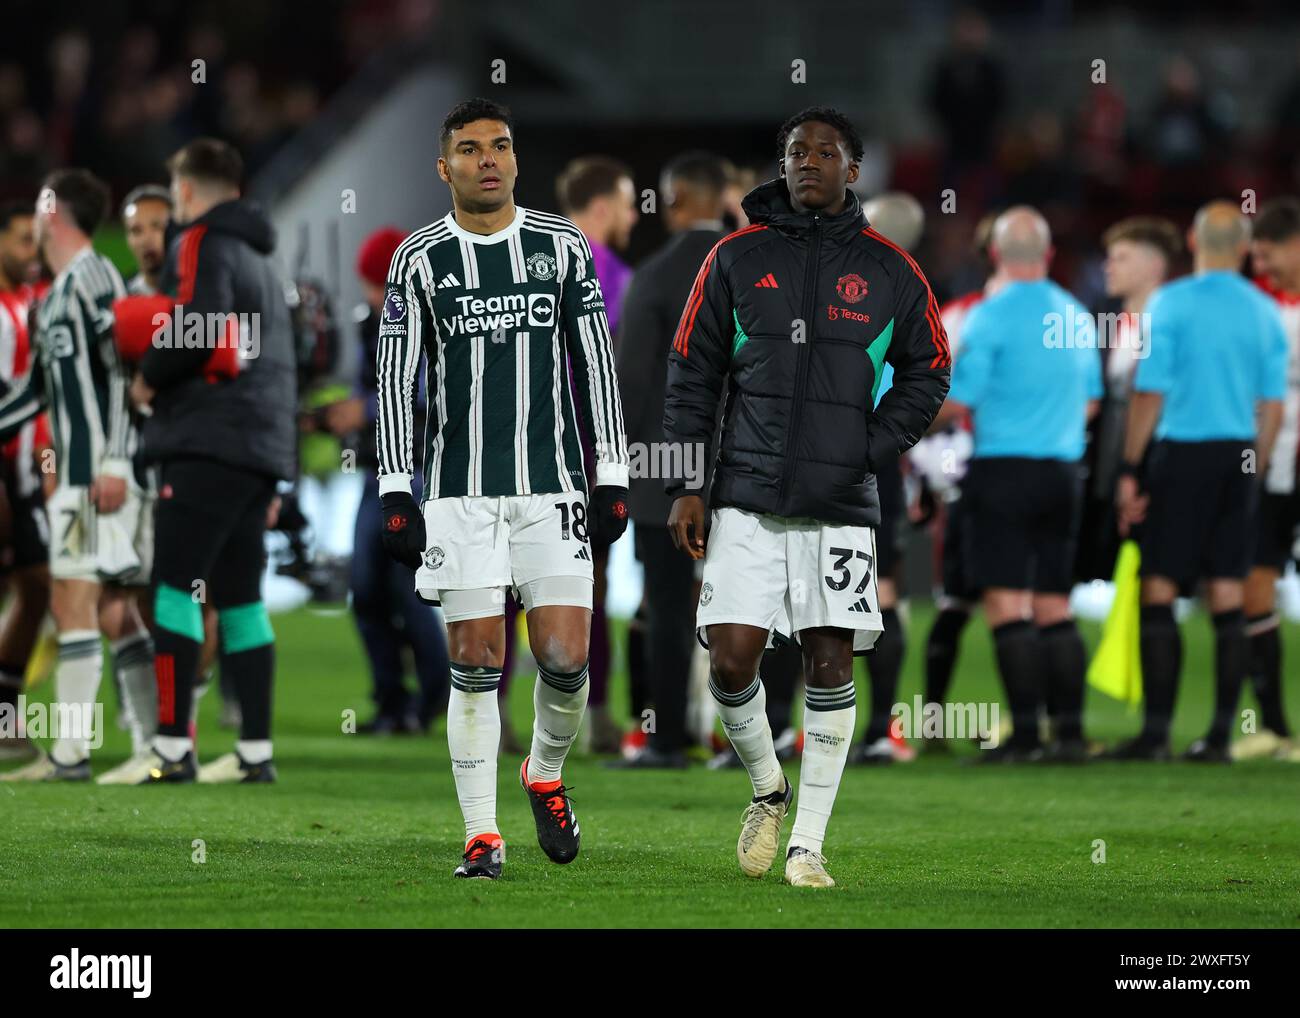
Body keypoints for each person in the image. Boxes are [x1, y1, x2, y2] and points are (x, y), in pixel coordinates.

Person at [664, 106, 950, 888]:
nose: (809, 162)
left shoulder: (892, 270)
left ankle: (808, 844)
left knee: (831, 662)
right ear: (782, 164)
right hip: (743, 497)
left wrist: (870, 445)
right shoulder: (734, 257)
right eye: (796, 151)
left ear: (853, 170)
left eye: (826, 152)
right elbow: (691, 373)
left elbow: (931, 372)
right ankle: (767, 786)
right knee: (729, 663)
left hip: (841, 503)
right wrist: (687, 483)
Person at [375, 98, 629, 880]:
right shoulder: (418, 258)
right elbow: (393, 376)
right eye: (470, 148)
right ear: (444, 167)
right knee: (478, 659)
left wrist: (612, 473)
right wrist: (395, 485)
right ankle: (482, 835)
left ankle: (545, 773)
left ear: (516, 160)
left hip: (551, 484)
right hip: (457, 493)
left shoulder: (561, 245)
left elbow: (596, 361)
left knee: (563, 654)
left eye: (501, 146)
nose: (488, 159)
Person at [111, 138, 298, 783]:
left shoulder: (200, 244)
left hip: (206, 442)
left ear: (185, 191)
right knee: (242, 597)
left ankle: (169, 750)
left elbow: (199, 322)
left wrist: (149, 378)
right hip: (259, 447)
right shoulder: (263, 260)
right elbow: (278, 356)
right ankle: (254, 754)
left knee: (172, 587)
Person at [1114, 201, 1288, 762]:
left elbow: (1149, 391)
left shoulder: (1172, 302)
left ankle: (1155, 733)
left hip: (1182, 454)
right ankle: (1217, 736)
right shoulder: (1265, 310)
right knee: (1229, 591)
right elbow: (1273, 404)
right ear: (1243, 248)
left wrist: (1130, 467)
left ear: (1192, 240)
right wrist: (1253, 467)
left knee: (1160, 585)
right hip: (1237, 455)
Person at [0, 170, 152, 782]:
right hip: (79, 475)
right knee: (97, 608)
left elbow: (122, 378)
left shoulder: (94, 280)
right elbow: (37, 387)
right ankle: (141, 747)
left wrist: (111, 463)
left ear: (52, 209)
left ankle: (106, 750)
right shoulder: (60, 290)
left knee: (83, 601)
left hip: (98, 474)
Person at [937, 206, 1102, 762]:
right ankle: (1072, 735)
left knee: (1008, 604)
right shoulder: (1077, 315)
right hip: (1062, 472)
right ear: (1050, 255)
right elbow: (1094, 400)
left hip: (1003, 469)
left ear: (995, 255)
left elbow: (960, 400)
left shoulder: (989, 316)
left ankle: (1029, 735)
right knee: (1055, 604)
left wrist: (897, 422)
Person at [612, 151, 729, 768]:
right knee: (751, 603)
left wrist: (618, 465)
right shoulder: (754, 268)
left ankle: (664, 738)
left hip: (662, 466)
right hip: (742, 466)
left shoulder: (653, 276)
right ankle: (755, 738)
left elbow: (629, 381)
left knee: (664, 604)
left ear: (677, 199)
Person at [333, 225, 449, 734]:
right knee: (365, 588)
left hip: (421, 474)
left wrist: (363, 410)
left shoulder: (430, 322)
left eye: (376, 284)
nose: (371, 296)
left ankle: (431, 701)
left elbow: (426, 397)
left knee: (410, 590)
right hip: (376, 473)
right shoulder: (371, 326)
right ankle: (391, 701)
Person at [554, 155, 639, 752]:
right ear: (605, 206)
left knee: (509, 583)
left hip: (519, 444)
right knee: (592, 579)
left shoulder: (523, 257)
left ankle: (497, 709)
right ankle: (598, 716)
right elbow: (618, 372)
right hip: (589, 443)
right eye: (631, 203)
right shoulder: (610, 273)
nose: (636, 216)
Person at [850, 191, 926, 764]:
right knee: (882, 594)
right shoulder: (916, 292)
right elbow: (931, 389)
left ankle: (783, 727)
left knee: (797, 594)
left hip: (824, 452)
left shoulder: (840, 280)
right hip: (882, 459)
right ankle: (881, 730)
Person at [1076, 216, 1180, 582]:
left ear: (1154, 266)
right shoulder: (1103, 324)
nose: (1108, 266)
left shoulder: (1173, 325)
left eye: (1121, 257)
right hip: (1105, 465)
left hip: (1155, 470)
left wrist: (1135, 473)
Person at [1238, 197, 1300, 759]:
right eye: (1255, 254)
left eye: (1270, 253)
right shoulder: (1252, 305)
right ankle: (1277, 728)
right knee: (1255, 585)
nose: (1262, 265)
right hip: (1269, 466)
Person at [0, 201, 51, 762]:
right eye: (19, 242)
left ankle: (5, 713)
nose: (30, 255)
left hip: (22, 473)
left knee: (36, 586)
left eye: (36, 243)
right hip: (3, 472)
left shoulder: (33, 302)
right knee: (32, 583)